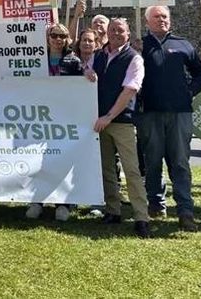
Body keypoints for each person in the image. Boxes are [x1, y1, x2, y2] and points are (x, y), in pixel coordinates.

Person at [137, 5, 201, 232]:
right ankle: (156, 204)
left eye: (165, 16)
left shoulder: (183, 44)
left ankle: (185, 211)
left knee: (180, 162)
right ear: (147, 21)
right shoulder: (140, 46)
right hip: (150, 112)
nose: (162, 20)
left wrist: (189, 91)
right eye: (157, 17)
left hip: (180, 112)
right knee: (153, 160)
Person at [88, 17, 150, 238]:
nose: (115, 33)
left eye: (120, 30)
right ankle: (113, 211)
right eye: (112, 29)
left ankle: (141, 217)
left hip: (121, 121)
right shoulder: (96, 56)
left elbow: (129, 91)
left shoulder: (134, 58)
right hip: (99, 123)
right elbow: (86, 80)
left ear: (128, 33)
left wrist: (109, 116)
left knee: (132, 170)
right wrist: (86, 74)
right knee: (106, 169)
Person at [26, 23, 83, 222]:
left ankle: (63, 204)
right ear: (48, 38)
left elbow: (81, 89)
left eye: (62, 36)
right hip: (39, 117)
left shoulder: (74, 61)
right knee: (38, 161)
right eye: (54, 35)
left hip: (64, 119)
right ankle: (37, 201)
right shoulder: (35, 59)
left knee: (62, 160)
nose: (58, 39)